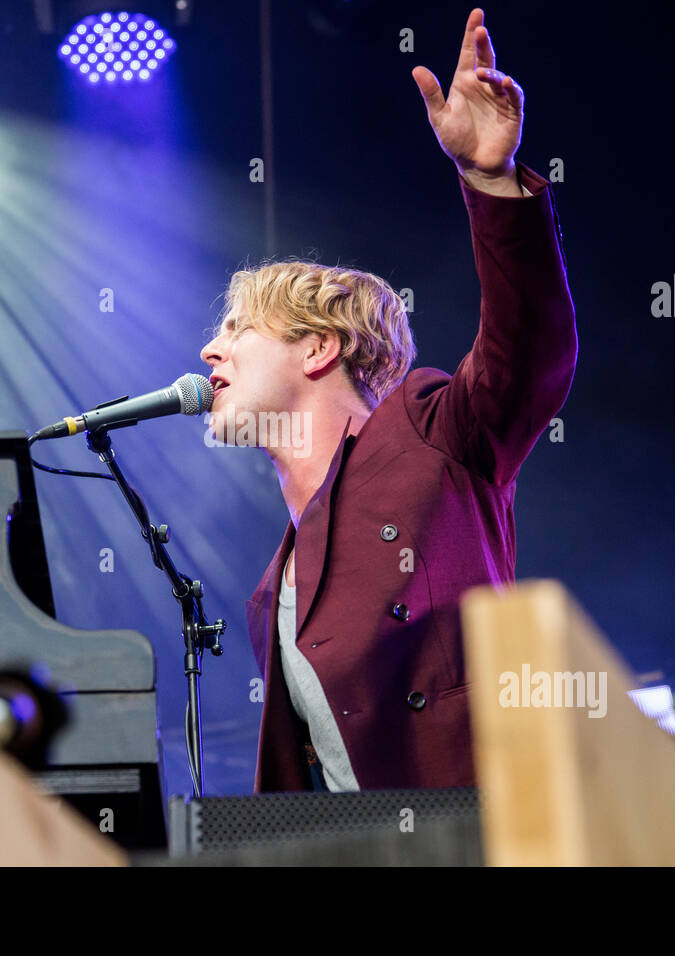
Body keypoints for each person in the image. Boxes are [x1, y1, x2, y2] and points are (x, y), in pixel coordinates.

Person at [199, 8, 577, 792]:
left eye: (238, 329)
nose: (210, 351)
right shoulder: (272, 589)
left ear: (318, 348)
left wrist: (489, 180)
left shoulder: (433, 428)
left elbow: (530, 347)